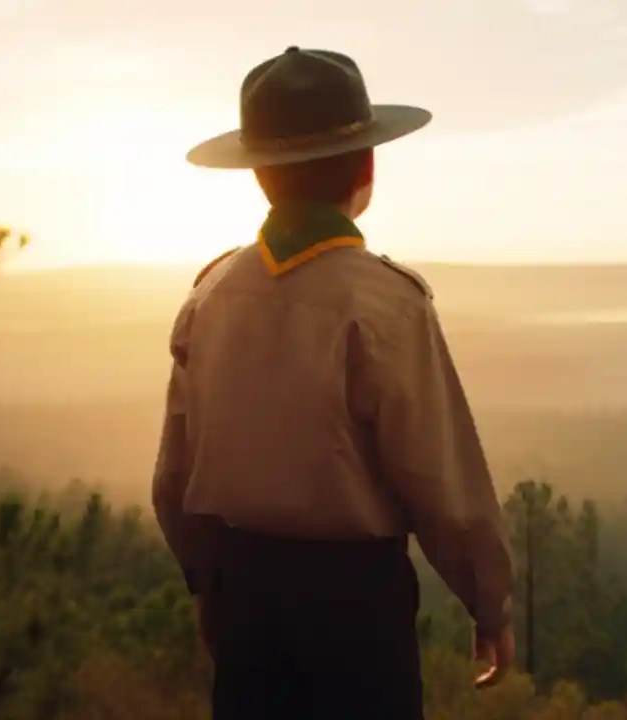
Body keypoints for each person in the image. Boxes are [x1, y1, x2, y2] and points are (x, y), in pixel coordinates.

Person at [152, 47, 515, 719]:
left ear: (258, 172)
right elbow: (441, 476)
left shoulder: (210, 296)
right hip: (353, 611)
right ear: (368, 165)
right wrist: (487, 600)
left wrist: (209, 586)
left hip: (242, 602)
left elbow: (174, 476)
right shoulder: (385, 305)